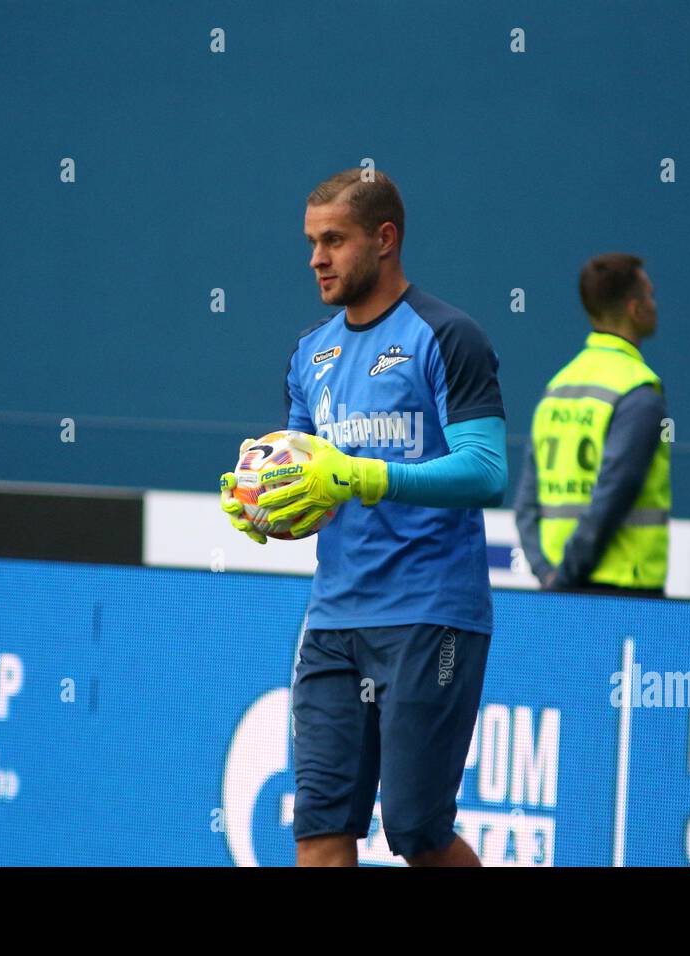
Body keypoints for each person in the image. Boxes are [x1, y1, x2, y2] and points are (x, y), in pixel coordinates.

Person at [219, 169, 507, 865]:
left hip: (430, 614)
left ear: (385, 240)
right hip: (333, 620)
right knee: (319, 830)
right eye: (312, 241)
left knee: (415, 831)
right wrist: (266, 504)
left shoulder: (448, 336)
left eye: (334, 240)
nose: (316, 257)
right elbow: (308, 480)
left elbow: (488, 473)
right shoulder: (309, 354)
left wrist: (365, 476)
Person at [514, 253, 669, 595]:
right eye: (650, 295)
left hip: (558, 586)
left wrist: (547, 573)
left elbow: (526, 503)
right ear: (634, 308)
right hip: (625, 586)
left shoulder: (557, 387)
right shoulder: (639, 389)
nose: (655, 304)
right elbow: (613, 494)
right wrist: (567, 575)